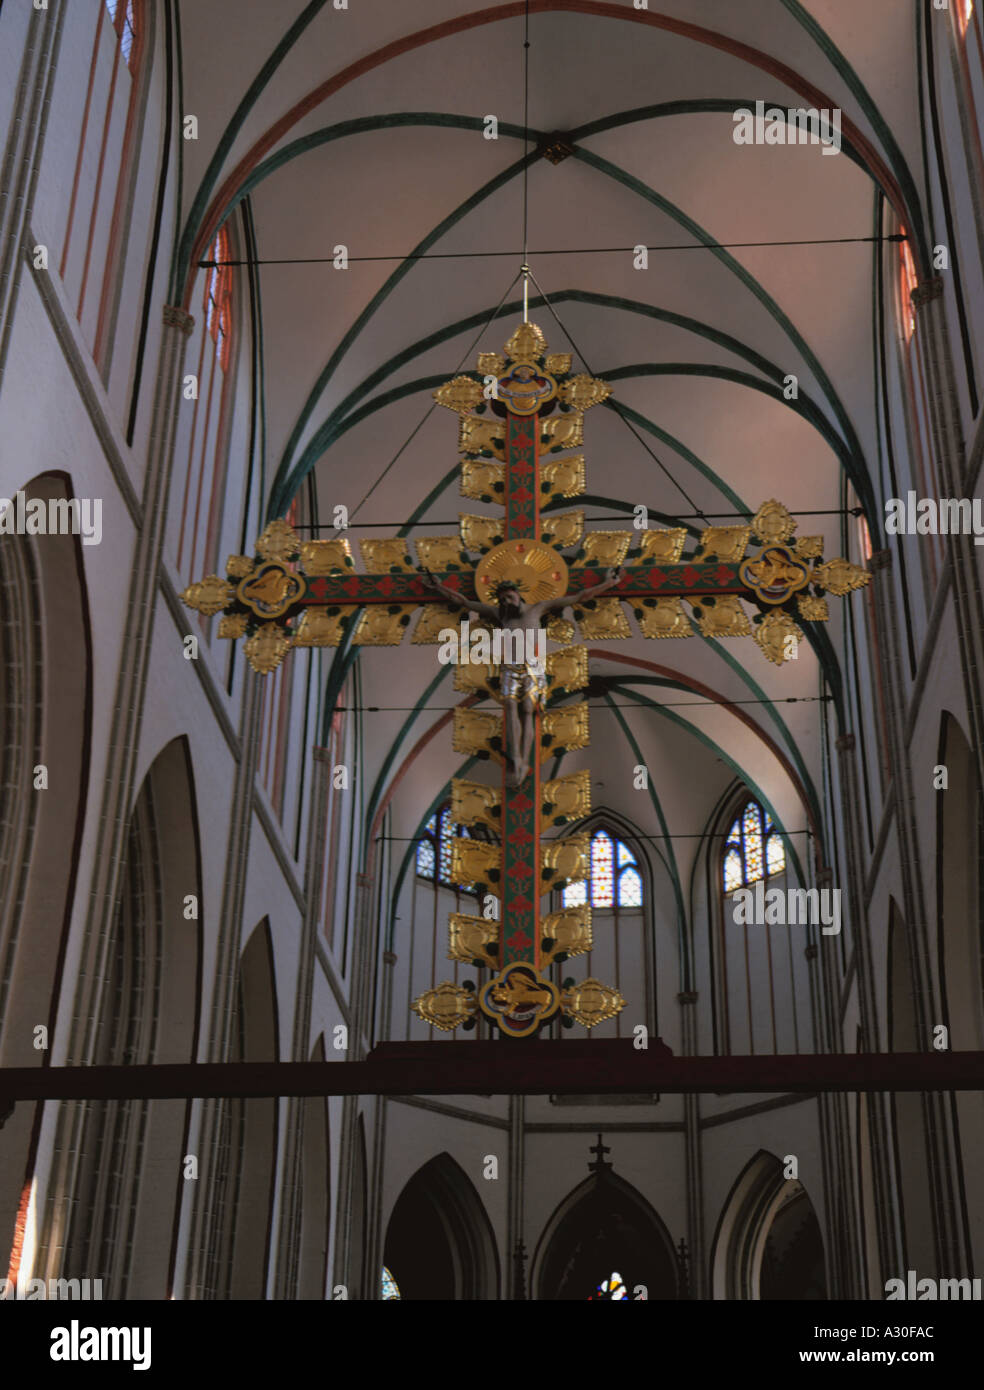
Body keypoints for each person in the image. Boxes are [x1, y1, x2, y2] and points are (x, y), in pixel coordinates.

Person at [419, 564, 623, 786]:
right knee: (509, 706)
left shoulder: (538, 608)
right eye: (503, 599)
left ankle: (525, 760)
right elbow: (464, 603)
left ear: (518, 594)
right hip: (510, 666)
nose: (506, 602)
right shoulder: (500, 614)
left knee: (528, 710)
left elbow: (579, 597)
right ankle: (515, 757)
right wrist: (438, 587)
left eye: (509, 596)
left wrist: (609, 583)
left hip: (533, 666)